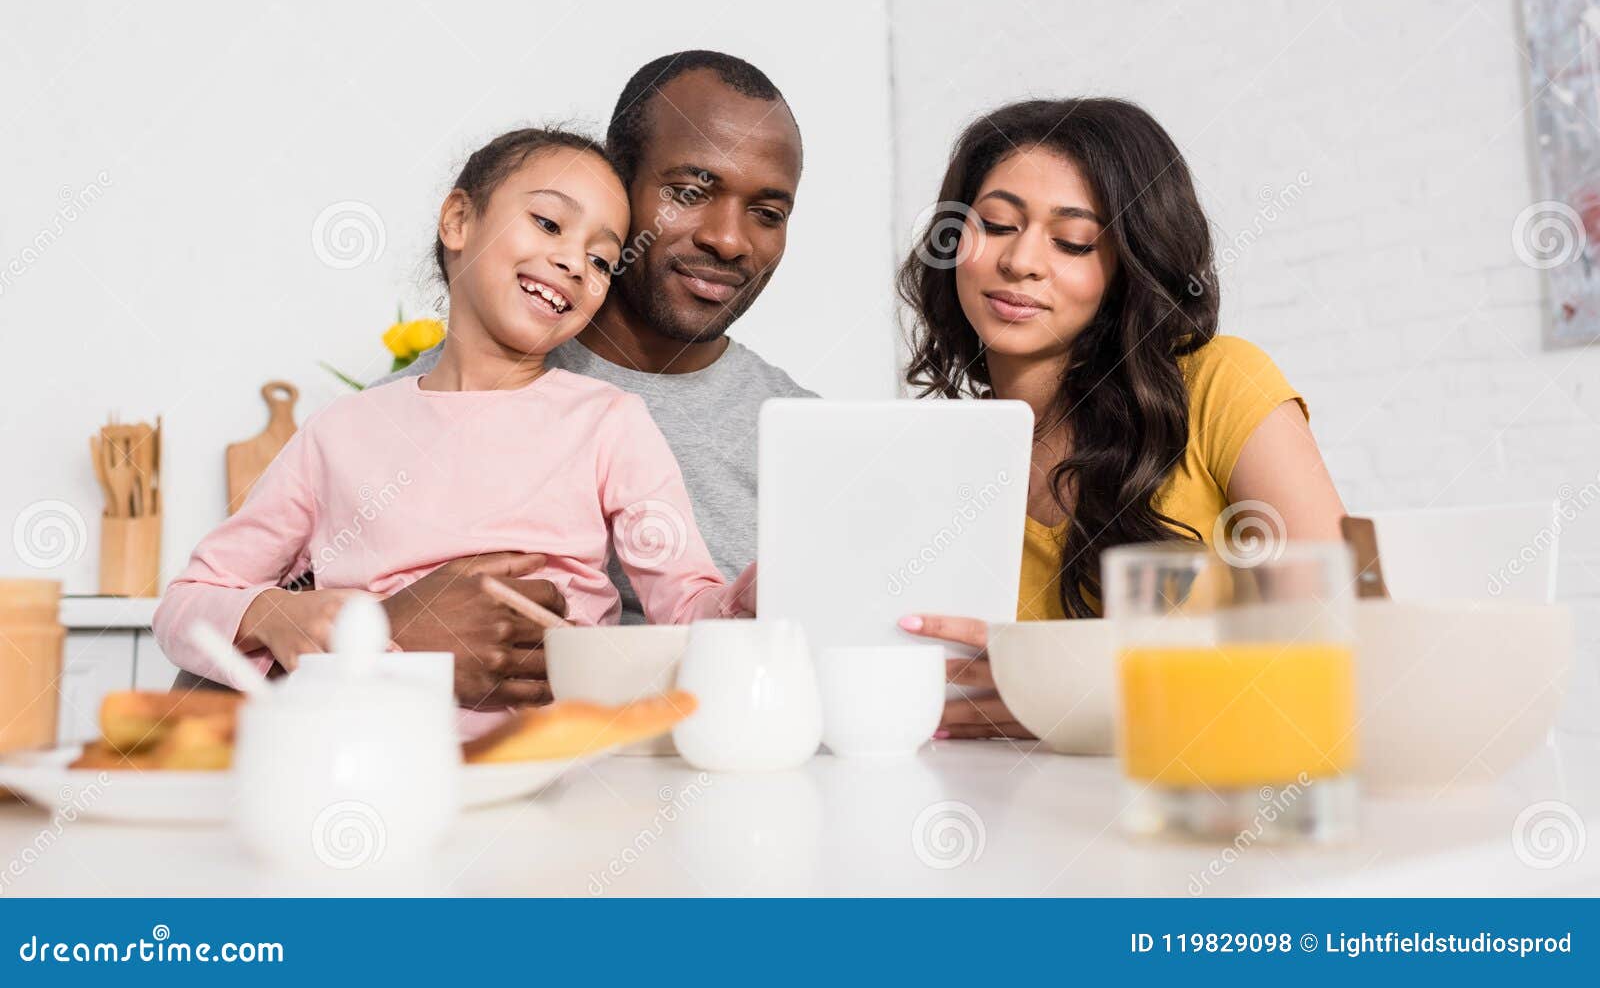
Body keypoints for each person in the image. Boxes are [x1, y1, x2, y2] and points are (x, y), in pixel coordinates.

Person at [154, 128, 756, 725]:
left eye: (601, 259)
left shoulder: (609, 423)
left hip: (545, 760)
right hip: (363, 748)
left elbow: (689, 608)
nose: (575, 263)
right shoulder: (340, 431)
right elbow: (187, 604)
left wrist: (751, 597)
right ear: (459, 220)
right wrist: (283, 615)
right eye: (548, 223)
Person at [894, 98, 1346, 739]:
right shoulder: (941, 460)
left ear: (1129, 264)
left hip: (1210, 790)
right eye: (996, 224)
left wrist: (1062, 694)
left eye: (1073, 242)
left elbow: (1344, 632)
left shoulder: (1220, 384)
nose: (1021, 261)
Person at [376, 51, 813, 704]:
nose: (729, 240)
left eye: (767, 213)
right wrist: (383, 629)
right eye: (690, 192)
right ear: (616, 186)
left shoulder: (809, 439)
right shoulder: (416, 412)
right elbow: (236, 647)